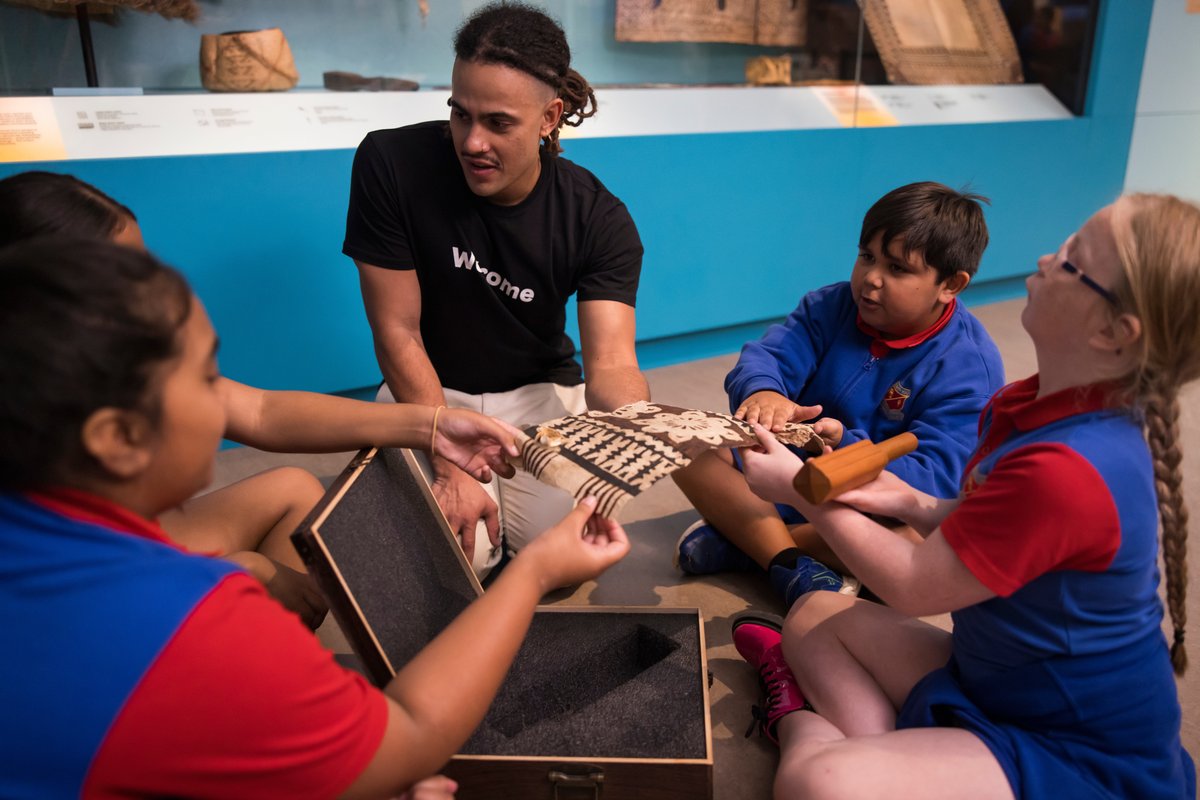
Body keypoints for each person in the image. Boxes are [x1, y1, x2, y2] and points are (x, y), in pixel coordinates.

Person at [0, 237, 630, 798]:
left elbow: (262, 412)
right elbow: (406, 737)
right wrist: (535, 571)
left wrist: (432, 426)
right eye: (204, 377)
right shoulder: (186, 624)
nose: (223, 398)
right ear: (117, 437)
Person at [734, 193, 1198, 798]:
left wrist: (804, 494)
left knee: (818, 782)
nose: (1045, 257)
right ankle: (887, 758)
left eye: (1071, 260)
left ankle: (800, 726)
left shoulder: (1070, 468)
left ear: (1113, 331)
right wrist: (908, 501)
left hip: (1067, 741)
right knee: (813, 616)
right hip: (987, 680)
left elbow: (917, 586)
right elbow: (985, 521)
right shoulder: (1034, 402)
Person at [0, 169, 521, 628]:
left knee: (294, 490)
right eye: (121, 277)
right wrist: (229, 574)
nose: (147, 291)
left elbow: (260, 410)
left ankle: (251, 651)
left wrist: (432, 426)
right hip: (64, 594)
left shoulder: (98, 359)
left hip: (108, 545)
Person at [343, 2, 649, 577]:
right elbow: (397, 330)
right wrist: (444, 451)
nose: (472, 141)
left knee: (569, 557)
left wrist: (644, 426)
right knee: (460, 563)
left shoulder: (597, 218)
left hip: (538, 396)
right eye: (461, 115)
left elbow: (611, 364)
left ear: (549, 117)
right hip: (428, 390)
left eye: (499, 123)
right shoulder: (391, 163)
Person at [672, 182, 1005, 608]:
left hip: (863, 501)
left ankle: (753, 541)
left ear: (951, 285)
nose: (871, 279)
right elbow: (767, 357)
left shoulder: (968, 366)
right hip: (782, 470)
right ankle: (785, 558)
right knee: (683, 442)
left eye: (897, 269)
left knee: (920, 542)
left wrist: (847, 448)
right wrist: (765, 392)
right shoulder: (829, 305)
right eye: (867, 256)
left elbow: (936, 481)